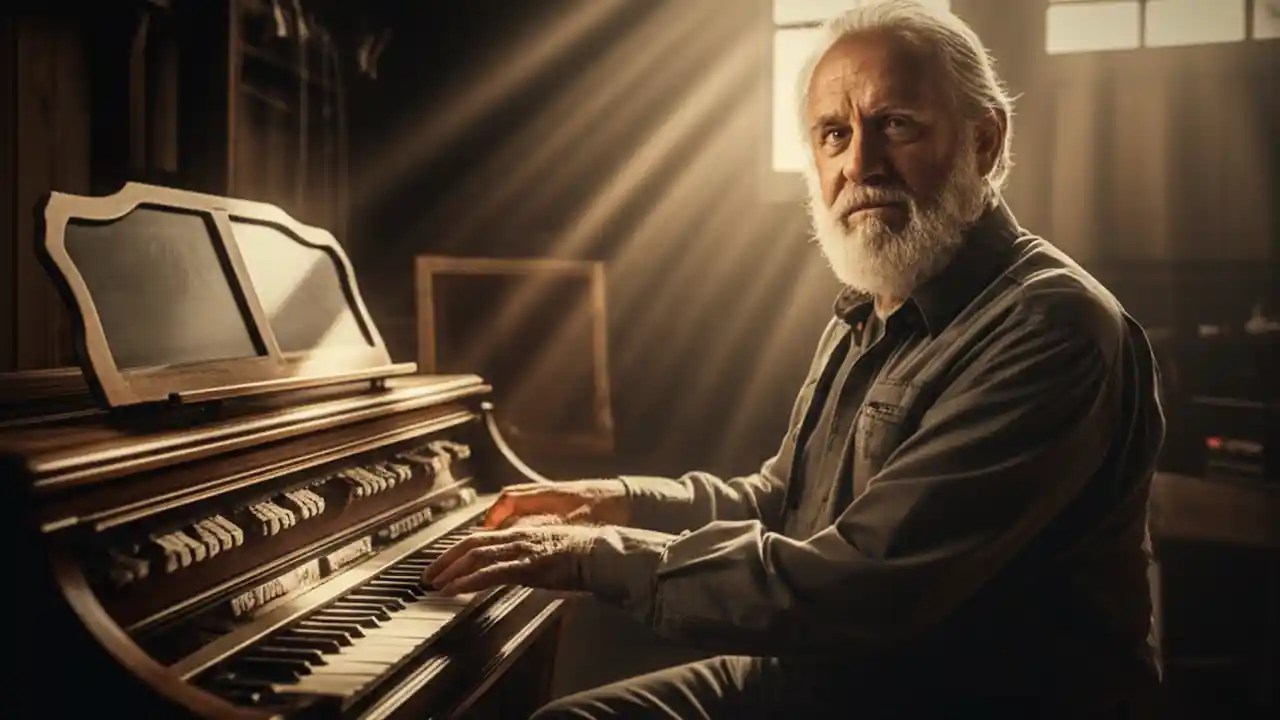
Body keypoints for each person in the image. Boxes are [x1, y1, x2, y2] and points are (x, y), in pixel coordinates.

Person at [422, 1, 1166, 717]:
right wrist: (610, 501)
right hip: (834, 680)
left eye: (896, 125)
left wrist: (596, 556)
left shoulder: (1051, 325)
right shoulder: (872, 303)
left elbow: (860, 586)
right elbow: (783, 500)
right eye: (833, 134)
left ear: (984, 142)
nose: (861, 163)